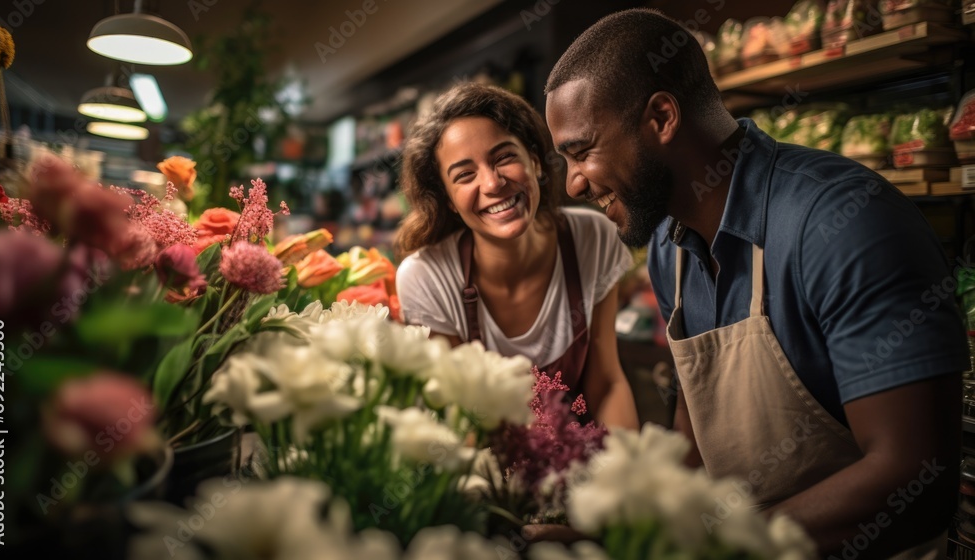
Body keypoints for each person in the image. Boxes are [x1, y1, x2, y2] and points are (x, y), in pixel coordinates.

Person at [544, 8, 966, 558]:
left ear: (663, 117)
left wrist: (703, 541)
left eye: (581, 151)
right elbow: (695, 450)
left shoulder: (842, 224)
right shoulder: (670, 250)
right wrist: (616, 533)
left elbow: (915, 479)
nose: (574, 183)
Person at [395, 82, 639, 430]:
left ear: (536, 162)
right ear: (449, 199)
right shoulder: (426, 277)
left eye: (504, 157)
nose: (493, 184)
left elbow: (607, 384)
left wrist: (628, 473)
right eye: (465, 175)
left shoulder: (592, 237)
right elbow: (459, 420)